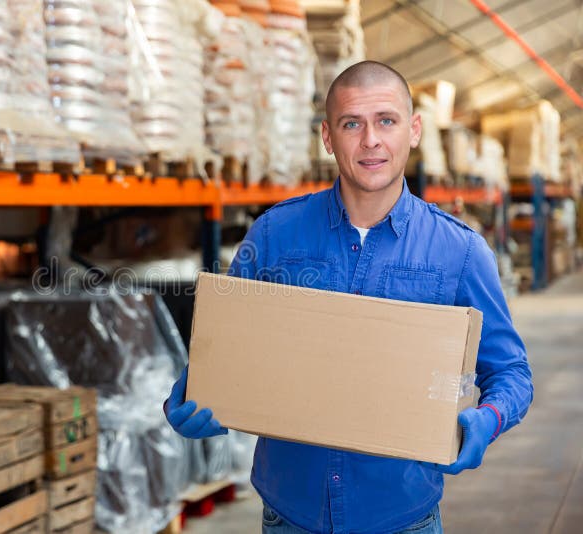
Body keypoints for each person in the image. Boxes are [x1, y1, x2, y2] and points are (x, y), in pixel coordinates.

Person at [163, 60, 533, 534]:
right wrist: (196, 390)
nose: (370, 140)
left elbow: (511, 371)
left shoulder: (459, 252)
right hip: (289, 516)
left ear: (414, 130)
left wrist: (489, 418)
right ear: (327, 137)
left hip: (402, 518)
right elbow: (227, 350)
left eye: (386, 121)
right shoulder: (274, 235)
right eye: (351, 124)